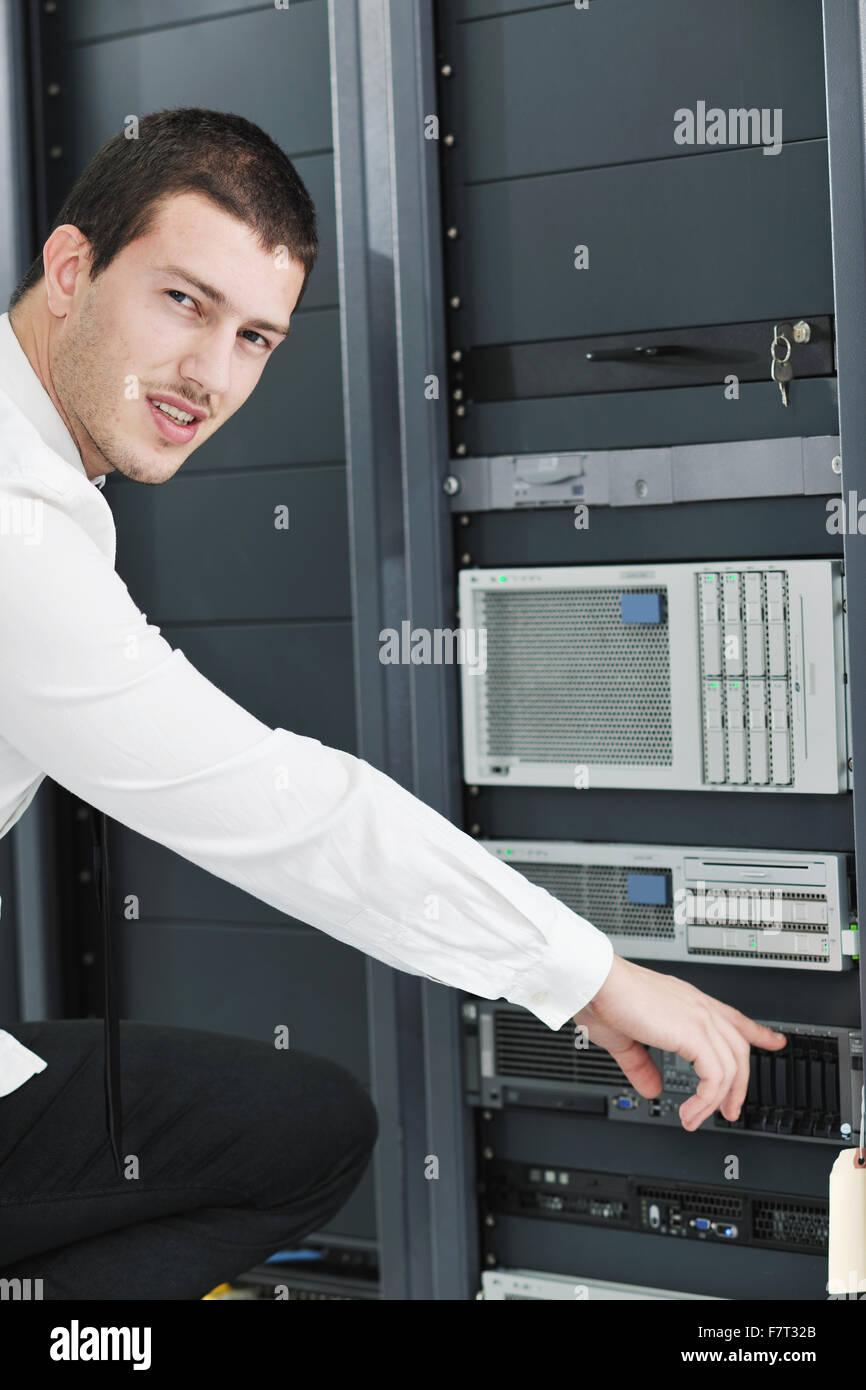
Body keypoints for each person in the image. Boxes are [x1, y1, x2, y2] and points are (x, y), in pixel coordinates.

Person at [0, 108, 786, 1299]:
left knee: (278, 1124)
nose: (208, 376)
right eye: (182, 302)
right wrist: (591, 975)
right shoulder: (18, 529)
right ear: (71, 269)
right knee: (296, 1135)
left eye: (255, 335)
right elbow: (277, 807)